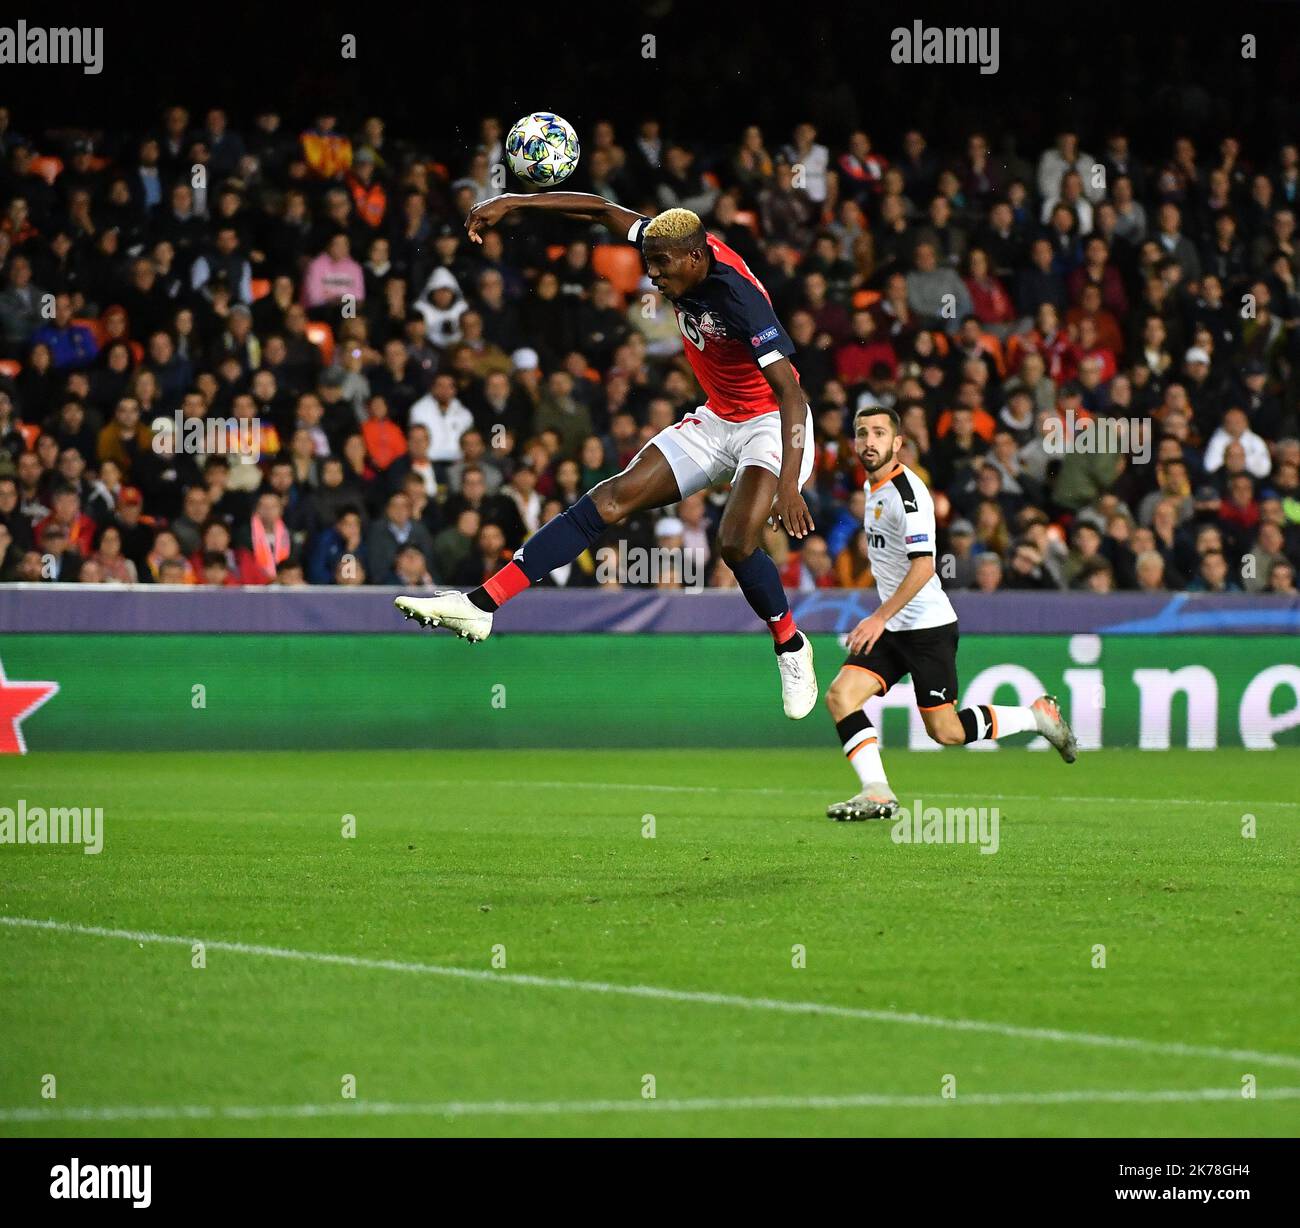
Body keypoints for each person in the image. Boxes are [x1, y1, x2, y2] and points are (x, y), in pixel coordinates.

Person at [396, 190, 819, 719]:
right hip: (717, 416)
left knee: (734, 541)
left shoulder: (739, 297)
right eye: (648, 266)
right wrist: (513, 201)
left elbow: (792, 394)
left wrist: (787, 484)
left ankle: (790, 644)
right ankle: (481, 604)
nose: (652, 279)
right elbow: (599, 208)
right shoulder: (671, 240)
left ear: (694, 257)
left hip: (771, 424)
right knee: (611, 500)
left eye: (660, 268)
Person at [822, 406, 1078, 821]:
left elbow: (924, 566)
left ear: (897, 443)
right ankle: (877, 792)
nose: (870, 442)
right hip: (894, 625)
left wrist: (879, 617)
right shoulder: (872, 489)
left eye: (879, 434)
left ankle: (1036, 716)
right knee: (840, 696)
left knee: (947, 732)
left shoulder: (909, 494)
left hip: (926, 628)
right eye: (863, 433)